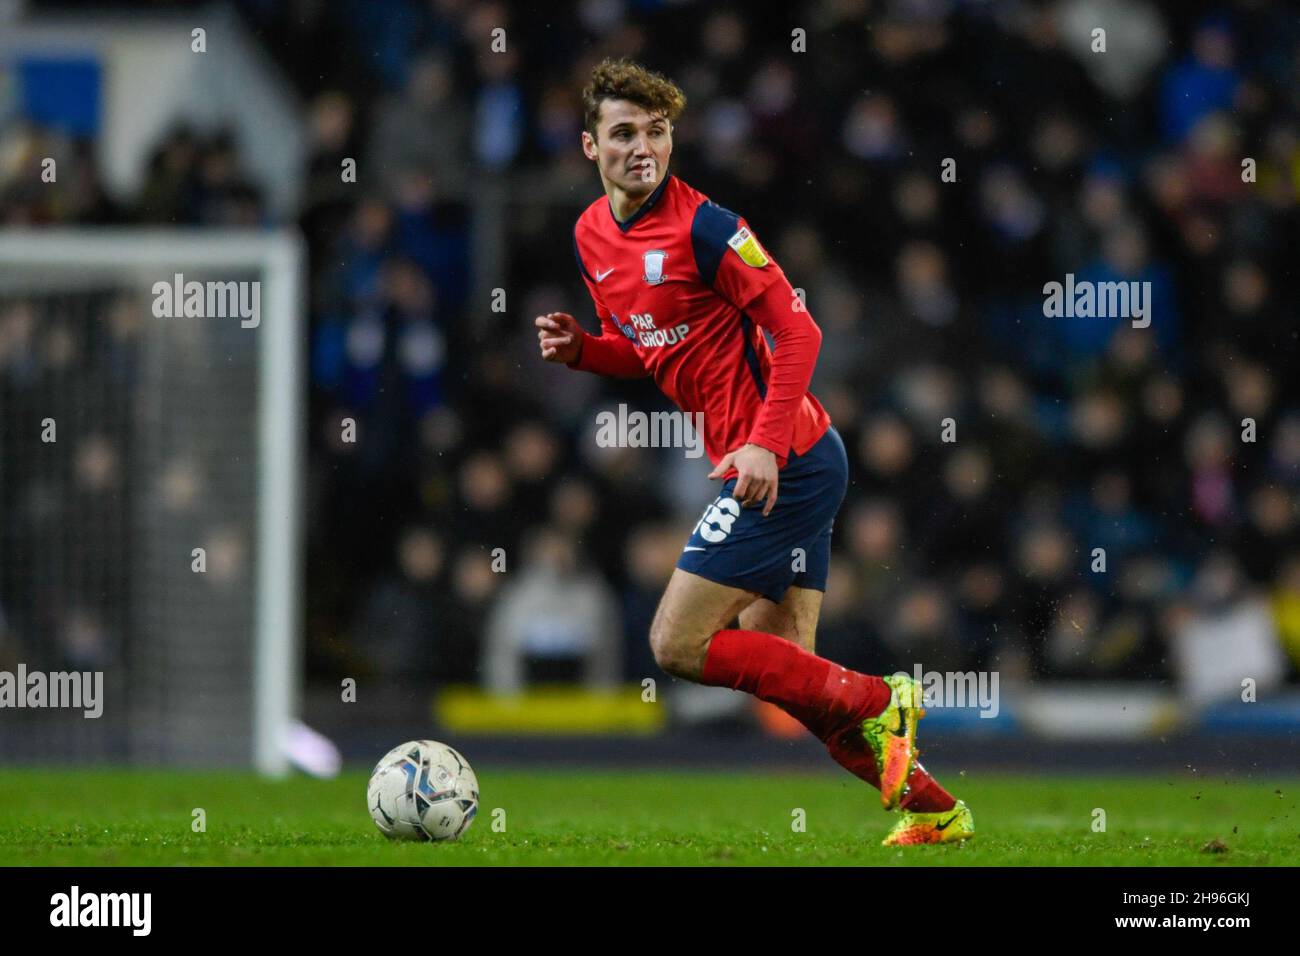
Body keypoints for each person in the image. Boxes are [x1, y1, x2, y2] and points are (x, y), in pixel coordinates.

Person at [535, 58, 971, 845]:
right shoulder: (590, 235)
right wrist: (585, 354)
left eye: (658, 132)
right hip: (781, 462)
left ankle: (884, 698)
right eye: (625, 133)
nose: (644, 147)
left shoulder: (710, 227)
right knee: (802, 685)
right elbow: (654, 350)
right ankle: (935, 809)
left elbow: (800, 330)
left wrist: (764, 447)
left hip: (787, 461)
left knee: (676, 642)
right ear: (588, 146)